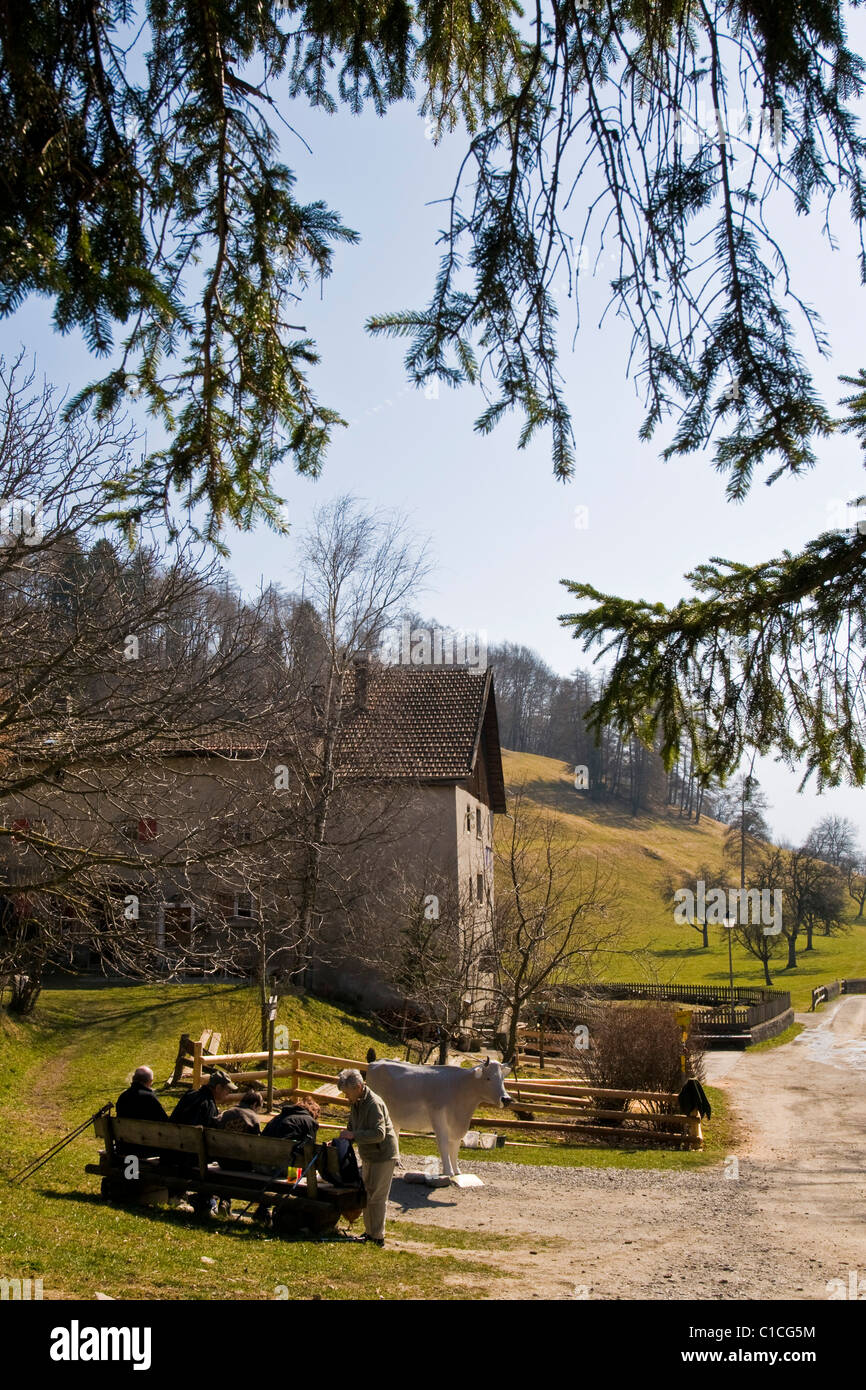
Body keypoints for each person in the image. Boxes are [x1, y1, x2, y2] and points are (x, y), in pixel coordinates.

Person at [337, 1068, 397, 1248]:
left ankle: (377, 1236)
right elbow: (351, 1127)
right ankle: (369, 1232)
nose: (346, 1097)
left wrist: (354, 1136)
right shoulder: (355, 1103)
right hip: (369, 1154)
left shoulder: (373, 1103)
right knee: (368, 1194)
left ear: (358, 1087)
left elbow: (379, 1134)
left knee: (377, 1197)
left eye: (347, 1093)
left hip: (383, 1154)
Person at [115, 1065, 168, 1161]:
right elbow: (166, 1123)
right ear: (150, 1082)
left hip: (124, 1147)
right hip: (146, 1149)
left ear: (134, 1079)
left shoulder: (123, 1096)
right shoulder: (149, 1098)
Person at [170, 1068, 237, 1127]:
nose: (229, 1093)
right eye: (228, 1089)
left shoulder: (190, 1094)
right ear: (218, 1088)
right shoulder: (209, 1106)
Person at [215, 1091, 264, 1172]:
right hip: (244, 1164)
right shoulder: (253, 1118)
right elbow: (257, 1145)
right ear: (255, 1104)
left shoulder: (225, 1114)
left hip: (223, 1162)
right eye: (260, 1108)